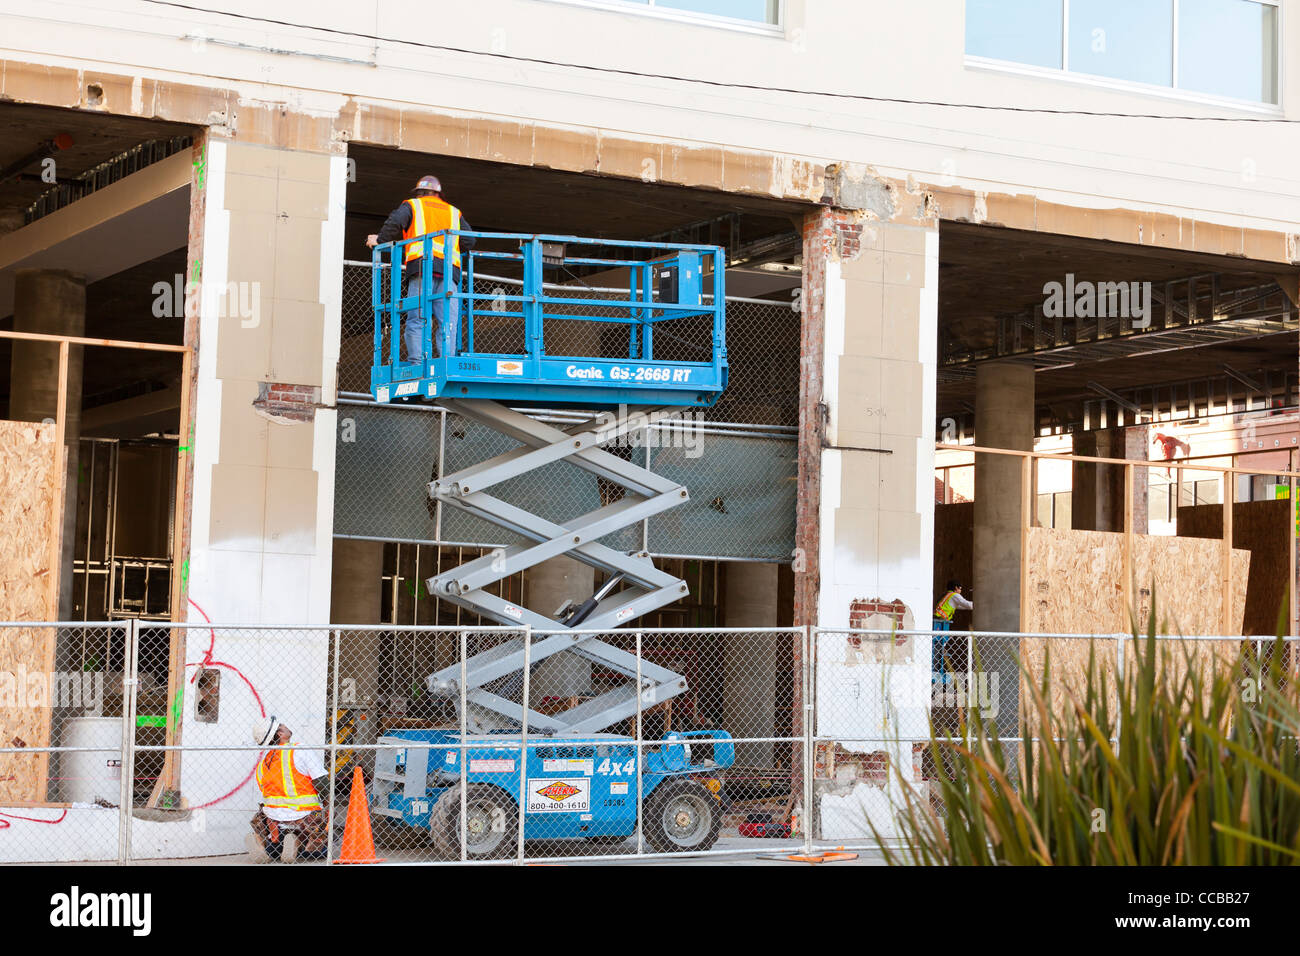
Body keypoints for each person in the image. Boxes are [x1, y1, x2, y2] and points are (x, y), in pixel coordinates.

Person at [366, 175, 476, 365]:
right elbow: (469, 241)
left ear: (418, 193)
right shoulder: (453, 212)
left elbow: (395, 222)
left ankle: (417, 363)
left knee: (417, 319)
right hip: (449, 273)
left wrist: (380, 240)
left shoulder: (413, 205)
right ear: (438, 194)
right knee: (447, 323)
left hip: (421, 270)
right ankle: (445, 363)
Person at [246, 715, 330, 863]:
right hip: (303, 819)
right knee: (324, 846)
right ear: (280, 734)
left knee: (274, 848)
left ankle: (264, 845)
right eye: (282, 725)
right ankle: (298, 844)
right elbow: (322, 783)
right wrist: (328, 803)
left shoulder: (264, 763)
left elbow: (264, 791)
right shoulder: (299, 750)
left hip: (273, 824)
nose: (285, 726)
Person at [932, 579, 973, 686]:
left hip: (938, 622)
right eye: (960, 588)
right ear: (956, 587)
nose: (961, 590)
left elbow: (959, 606)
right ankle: (937, 673)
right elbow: (968, 605)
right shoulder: (955, 595)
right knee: (939, 646)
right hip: (940, 623)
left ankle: (937, 672)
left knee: (938, 647)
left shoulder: (947, 595)